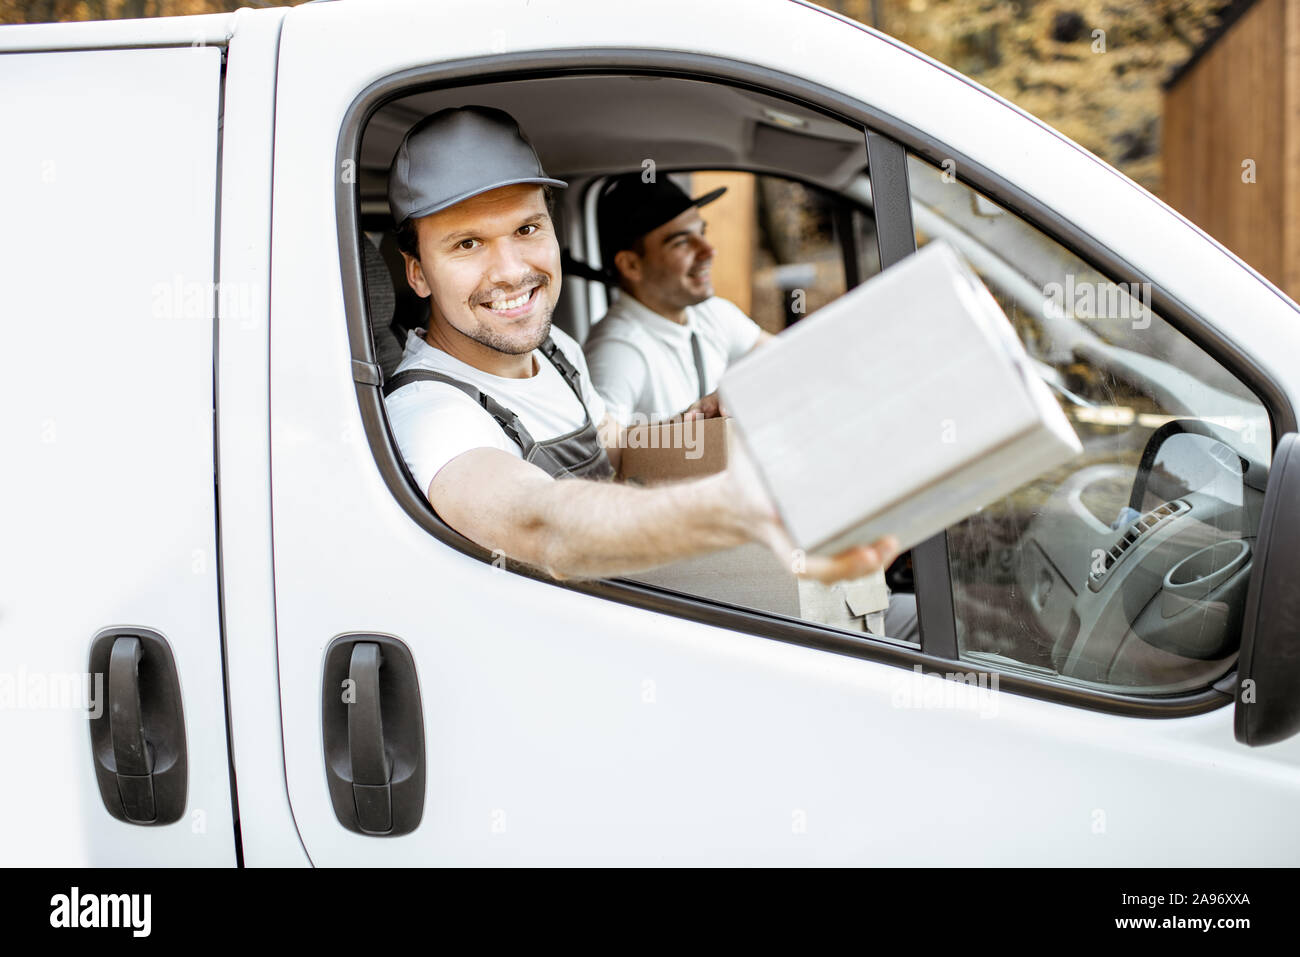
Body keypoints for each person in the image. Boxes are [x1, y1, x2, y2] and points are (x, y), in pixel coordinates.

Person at [380, 105, 898, 585]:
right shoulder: (428, 412)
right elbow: (542, 523)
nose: (512, 271)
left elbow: (615, 451)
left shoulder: (554, 349)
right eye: (467, 244)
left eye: (527, 228)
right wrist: (734, 508)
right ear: (418, 273)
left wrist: (695, 425)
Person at [583, 173, 775, 425]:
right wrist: (686, 425)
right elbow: (602, 457)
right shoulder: (618, 352)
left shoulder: (711, 312)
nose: (708, 251)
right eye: (682, 242)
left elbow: (781, 359)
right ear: (631, 265)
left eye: (702, 233)